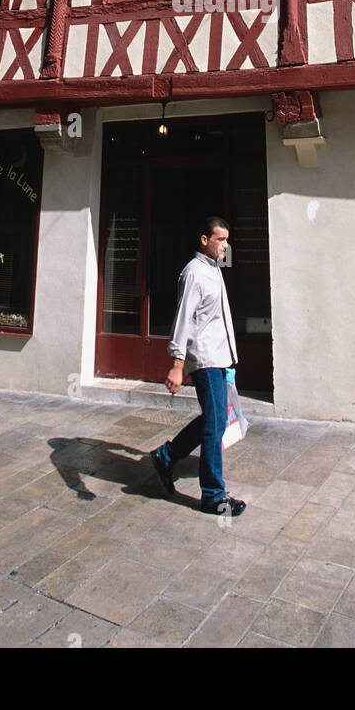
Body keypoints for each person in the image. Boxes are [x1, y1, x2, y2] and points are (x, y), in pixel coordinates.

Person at [149, 216, 246, 517]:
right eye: (220, 239)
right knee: (215, 424)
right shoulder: (194, 273)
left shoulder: (214, 271)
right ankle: (214, 497)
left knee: (212, 420)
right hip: (203, 359)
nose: (224, 245)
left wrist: (230, 360)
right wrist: (177, 365)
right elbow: (183, 321)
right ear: (204, 240)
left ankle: (165, 457)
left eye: (227, 240)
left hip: (219, 358)